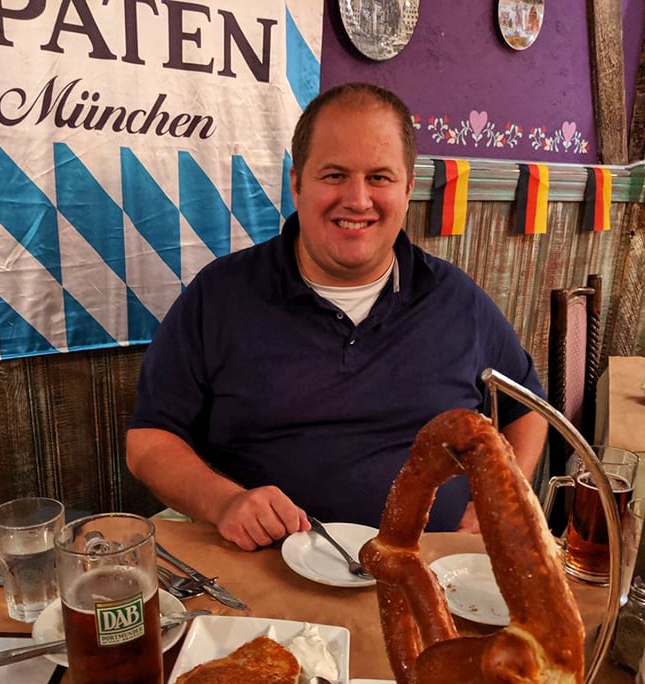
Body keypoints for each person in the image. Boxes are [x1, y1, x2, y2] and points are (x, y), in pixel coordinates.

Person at [126, 82, 547, 551]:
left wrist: (502, 498)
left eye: (380, 178)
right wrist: (224, 502)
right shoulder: (220, 295)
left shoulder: (456, 299)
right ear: (296, 183)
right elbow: (149, 441)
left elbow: (528, 409)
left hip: (433, 576)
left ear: (408, 189)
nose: (358, 199)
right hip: (265, 578)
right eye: (334, 175)